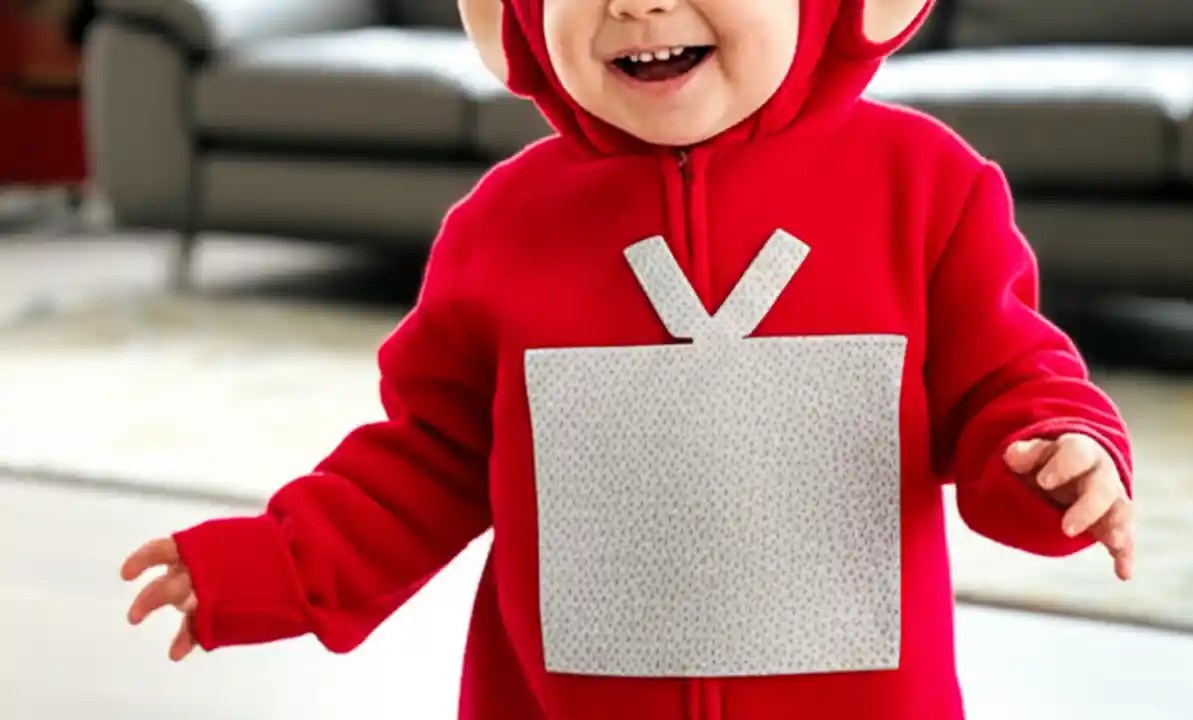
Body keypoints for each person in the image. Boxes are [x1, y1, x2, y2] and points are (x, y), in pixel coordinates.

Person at [121, 1, 1137, 718]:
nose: (638, 4)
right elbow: (427, 457)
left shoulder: (924, 191)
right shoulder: (503, 227)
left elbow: (1005, 385)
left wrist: (1052, 461)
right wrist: (279, 565)